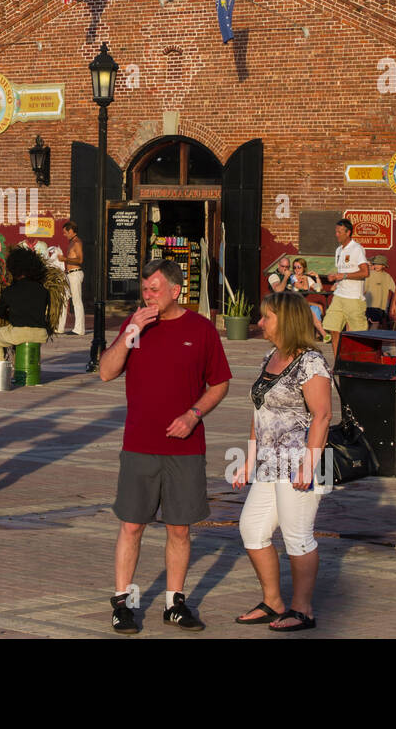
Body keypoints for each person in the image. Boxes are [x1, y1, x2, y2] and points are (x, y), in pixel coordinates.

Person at [97, 258, 232, 635]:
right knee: (132, 525)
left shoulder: (201, 329)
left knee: (179, 529)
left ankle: (175, 602)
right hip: (139, 444)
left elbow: (219, 383)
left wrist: (193, 415)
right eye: (144, 290)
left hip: (186, 448)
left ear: (176, 290)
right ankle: (122, 603)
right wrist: (129, 333)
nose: (148, 295)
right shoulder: (135, 326)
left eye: (155, 289)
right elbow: (106, 372)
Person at [232, 291, 332, 632]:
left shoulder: (310, 362)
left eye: (266, 317)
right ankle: (273, 602)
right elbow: (259, 411)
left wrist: (309, 463)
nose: (260, 322)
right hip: (270, 463)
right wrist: (249, 460)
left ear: (286, 320)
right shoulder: (270, 356)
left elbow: (322, 415)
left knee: (297, 536)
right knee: (252, 529)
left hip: (301, 461)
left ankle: (303, 609)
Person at [0, 246, 51, 361]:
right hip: (40, 334)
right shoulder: (43, 290)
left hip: (19, 333)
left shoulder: (10, 290)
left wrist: (8, 315)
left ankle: (0, 374)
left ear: (14, 268)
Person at [322, 218, 369, 356]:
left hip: (353, 298)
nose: (336, 234)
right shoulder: (338, 250)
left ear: (348, 232)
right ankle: (338, 363)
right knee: (333, 329)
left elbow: (365, 272)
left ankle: (356, 363)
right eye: (336, 231)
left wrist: (343, 276)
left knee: (357, 335)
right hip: (339, 296)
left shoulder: (357, 249)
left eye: (339, 232)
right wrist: (335, 278)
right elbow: (341, 273)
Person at [286, 257, 327, 340]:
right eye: (294, 267)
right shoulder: (292, 277)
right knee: (315, 309)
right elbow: (303, 289)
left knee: (318, 308)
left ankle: (318, 333)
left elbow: (319, 289)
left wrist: (317, 276)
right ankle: (322, 333)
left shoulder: (307, 278)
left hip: (302, 302)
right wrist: (305, 280)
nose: (296, 269)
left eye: (299, 267)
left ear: (304, 268)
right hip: (292, 303)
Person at [56, 220, 85, 336]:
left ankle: (79, 329)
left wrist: (65, 259)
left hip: (75, 273)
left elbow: (80, 260)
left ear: (71, 231)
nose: (64, 235)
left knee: (76, 301)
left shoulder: (77, 242)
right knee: (63, 298)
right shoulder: (72, 242)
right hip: (69, 274)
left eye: (65, 232)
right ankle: (59, 327)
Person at [363, 255, 395, 330]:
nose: (376, 266)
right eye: (375, 264)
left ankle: (371, 340)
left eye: (379, 264)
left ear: (384, 265)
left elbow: (395, 289)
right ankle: (368, 340)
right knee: (367, 325)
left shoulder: (387, 277)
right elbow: (364, 289)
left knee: (375, 325)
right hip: (368, 305)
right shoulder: (369, 274)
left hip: (380, 306)